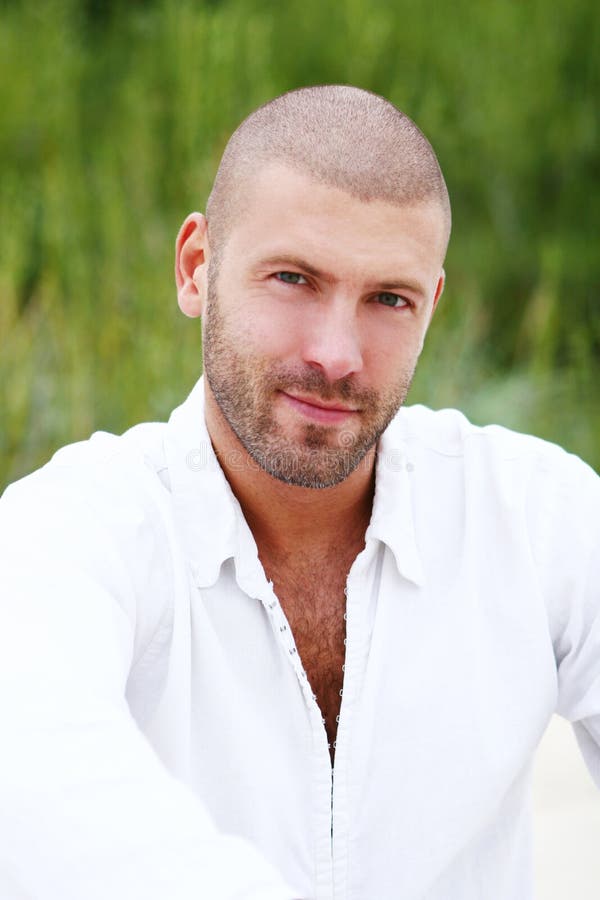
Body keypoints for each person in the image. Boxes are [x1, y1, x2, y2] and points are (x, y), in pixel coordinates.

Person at [0, 84, 598, 900]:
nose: (337, 353)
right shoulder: (69, 532)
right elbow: (39, 788)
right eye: (293, 278)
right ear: (195, 268)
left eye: (389, 299)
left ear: (433, 307)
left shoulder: (537, 517)